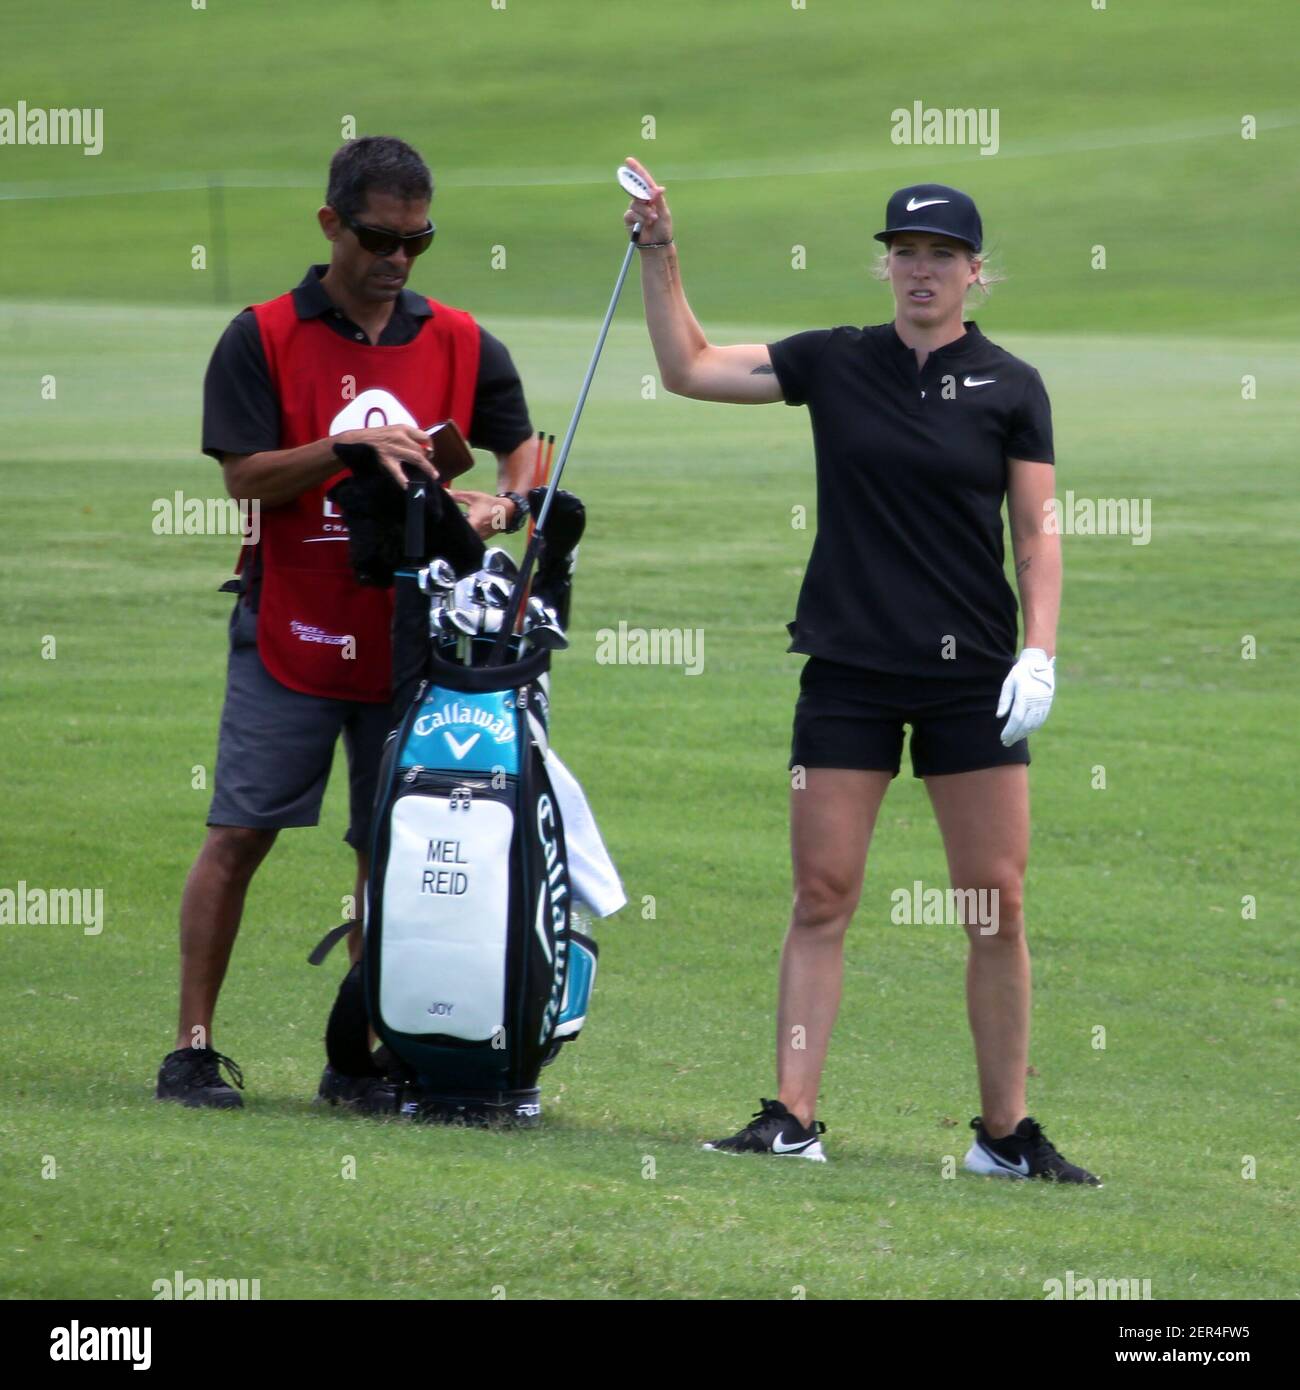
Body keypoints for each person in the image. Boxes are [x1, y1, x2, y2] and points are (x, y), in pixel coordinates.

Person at [622, 155, 1099, 1184]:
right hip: (846, 665)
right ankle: (792, 1116)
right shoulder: (835, 362)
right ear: (885, 266)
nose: (920, 271)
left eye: (942, 256)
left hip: (972, 673)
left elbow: (1037, 535)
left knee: (994, 905)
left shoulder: (1012, 386)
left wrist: (1039, 651)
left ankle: (1004, 1136)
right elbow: (690, 366)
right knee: (822, 893)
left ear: (976, 272)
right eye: (904, 254)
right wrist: (661, 254)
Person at [156, 136, 538, 1109]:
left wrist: (504, 504)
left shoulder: (458, 336)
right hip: (289, 623)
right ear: (331, 224)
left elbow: (520, 442)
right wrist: (342, 445)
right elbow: (244, 474)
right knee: (240, 832)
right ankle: (192, 1048)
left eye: (417, 240)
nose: (397, 258)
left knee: (392, 850)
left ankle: (361, 1053)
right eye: (378, 236)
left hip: (413, 639)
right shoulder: (264, 333)